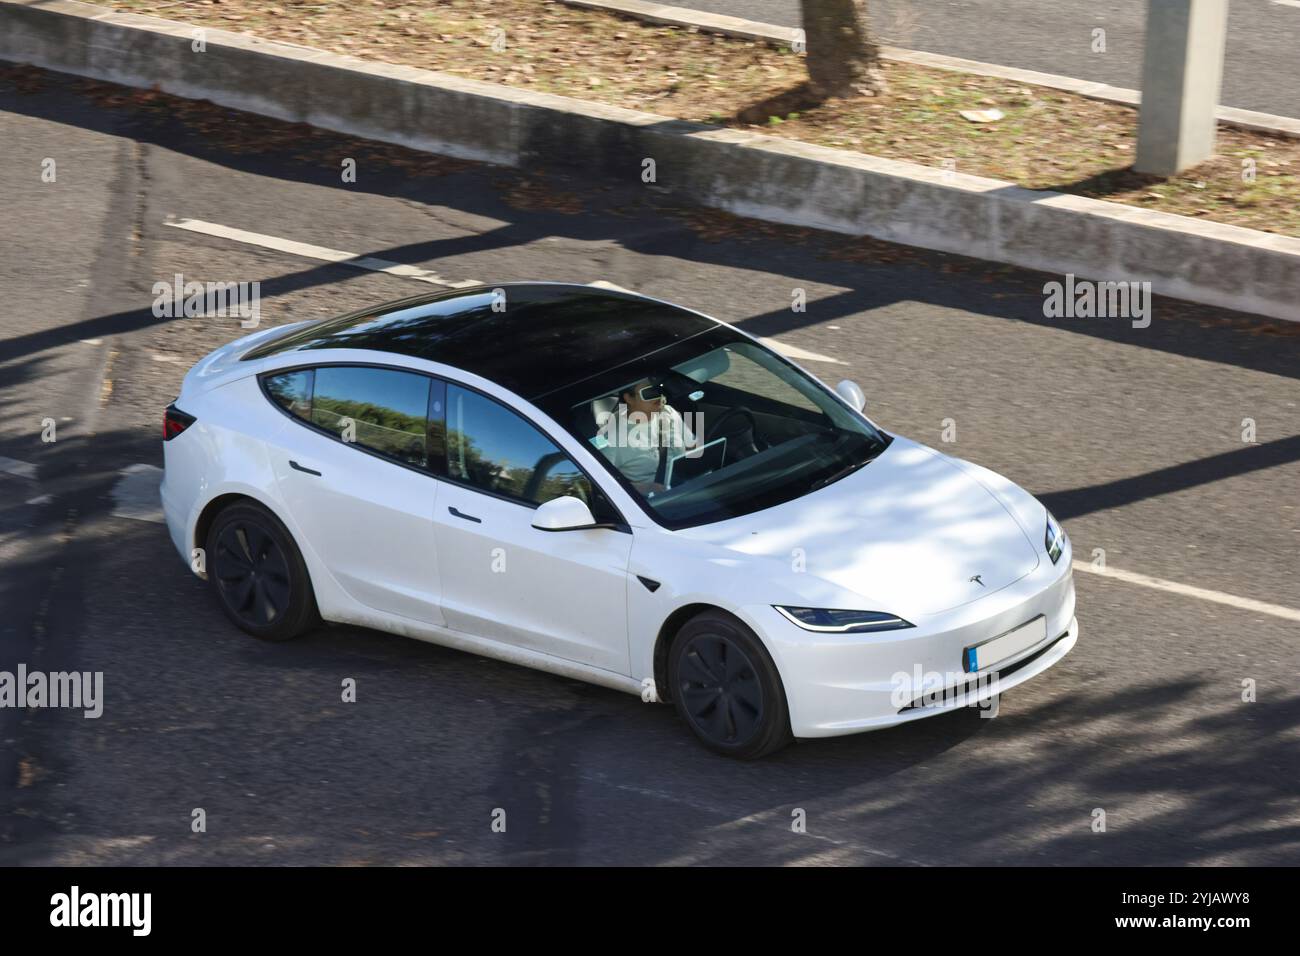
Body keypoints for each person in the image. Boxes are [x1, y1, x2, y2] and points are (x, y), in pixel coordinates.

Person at [598, 378, 693, 494]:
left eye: (659, 389)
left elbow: (692, 446)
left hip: (685, 483)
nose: (658, 396)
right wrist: (645, 488)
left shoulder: (669, 412)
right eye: (649, 392)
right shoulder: (614, 440)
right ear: (629, 398)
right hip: (651, 501)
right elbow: (601, 483)